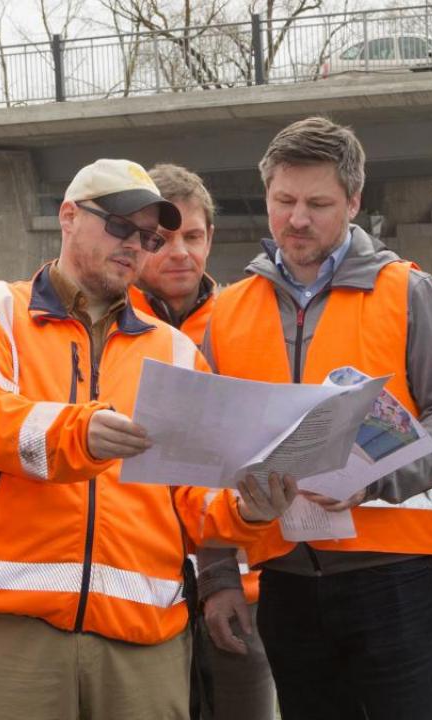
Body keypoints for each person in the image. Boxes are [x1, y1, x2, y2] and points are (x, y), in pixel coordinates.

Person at [0, 158, 298, 720]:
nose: (137, 246)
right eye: (121, 227)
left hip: (144, 638)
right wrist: (75, 433)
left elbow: (192, 504)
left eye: (148, 236)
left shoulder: (175, 351)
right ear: (69, 216)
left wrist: (247, 512)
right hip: (13, 633)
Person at [197, 116, 432, 719]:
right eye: (284, 200)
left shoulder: (407, 291)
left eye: (318, 203)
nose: (297, 219)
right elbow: (207, 457)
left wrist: (376, 476)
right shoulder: (226, 312)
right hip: (286, 582)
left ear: (354, 201)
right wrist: (220, 574)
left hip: (395, 577)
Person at [128, 163, 275, 720]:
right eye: (160, 240)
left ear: (211, 238)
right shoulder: (110, 330)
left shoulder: (245, 322)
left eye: (193, 236)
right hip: (142, 585)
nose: (179, 252)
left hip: (242, 585)